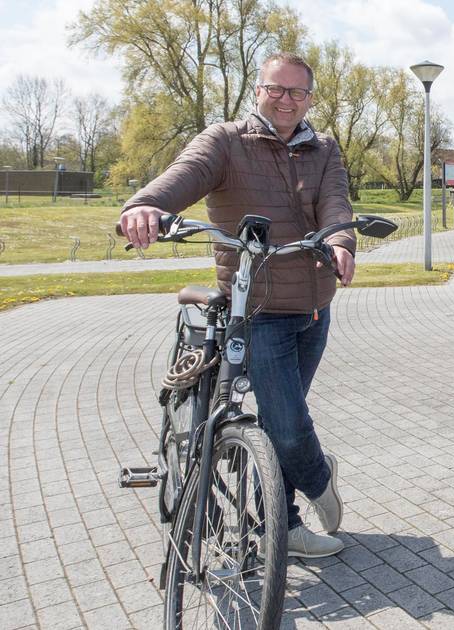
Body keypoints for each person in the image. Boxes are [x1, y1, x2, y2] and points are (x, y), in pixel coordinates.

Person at [119, 52, 351, 558]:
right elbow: (185, 175)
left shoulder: (325, 148)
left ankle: (281, 528)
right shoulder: (225, 141)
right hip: (258, 307)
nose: (286, 100)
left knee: (279, 422)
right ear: (257, 90)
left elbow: (336, 203)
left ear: (310, 98)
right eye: (276, 89)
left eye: (298, 92)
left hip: (313, 307)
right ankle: (317, 476)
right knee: (288, 427)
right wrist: (144, 205)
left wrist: (340, 242)